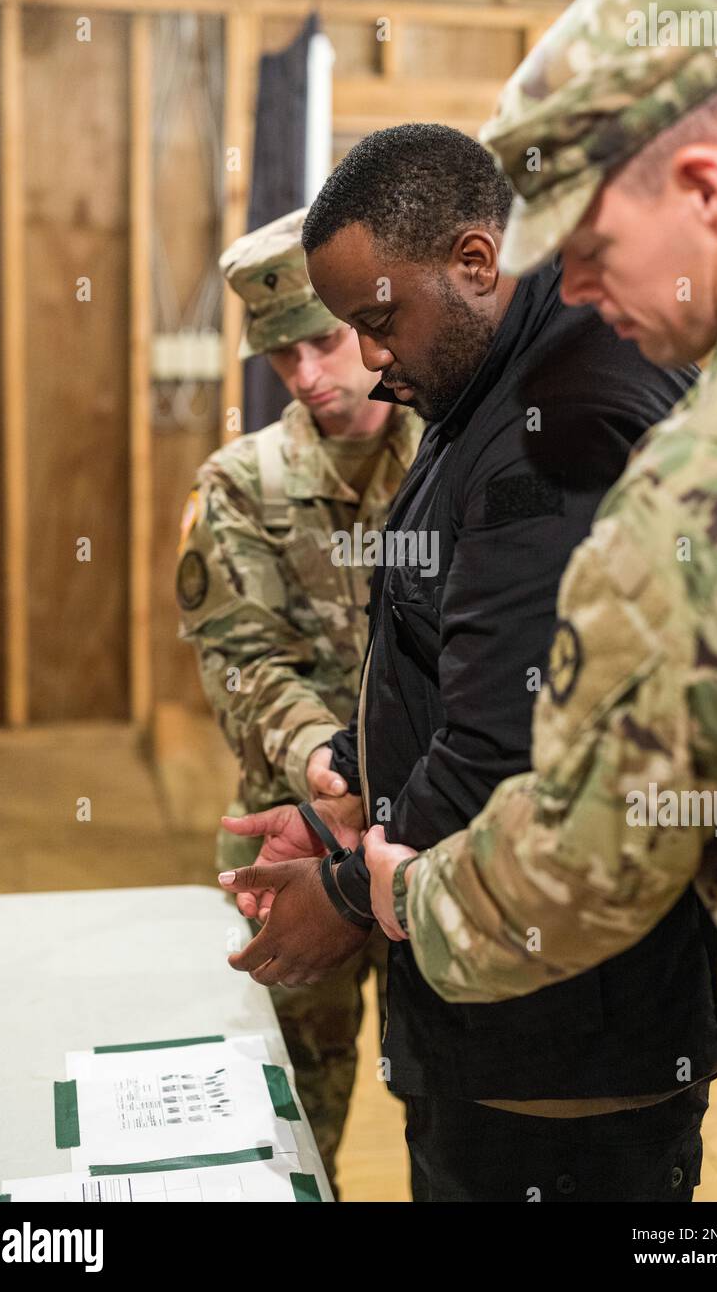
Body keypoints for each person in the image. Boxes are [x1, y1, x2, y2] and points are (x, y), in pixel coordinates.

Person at [365, 0, 717, 1203]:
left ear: (710, 190)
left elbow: (590, 862)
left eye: (586, 238)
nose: (561, 285)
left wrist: (402, 894)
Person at [220, 125, 717, 1202]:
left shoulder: (560, 432)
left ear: (476, 261)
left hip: (561, 1062)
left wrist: (348, 890)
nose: (362, 359)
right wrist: (347, 800)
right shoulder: (497, 376)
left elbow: (507, 755)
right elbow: (457, 661)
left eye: (374, 320)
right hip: (498, 1013)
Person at [176, 207, 421, 1192]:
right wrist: (326, 758)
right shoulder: (241, 483)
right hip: (294, 840)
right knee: (280, 1121)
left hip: (425, 846)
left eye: (322, 341)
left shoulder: (454, 459)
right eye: (281, 359)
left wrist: (371, 789)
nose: (309, 374)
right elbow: (240, 657)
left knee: (451, 1106)